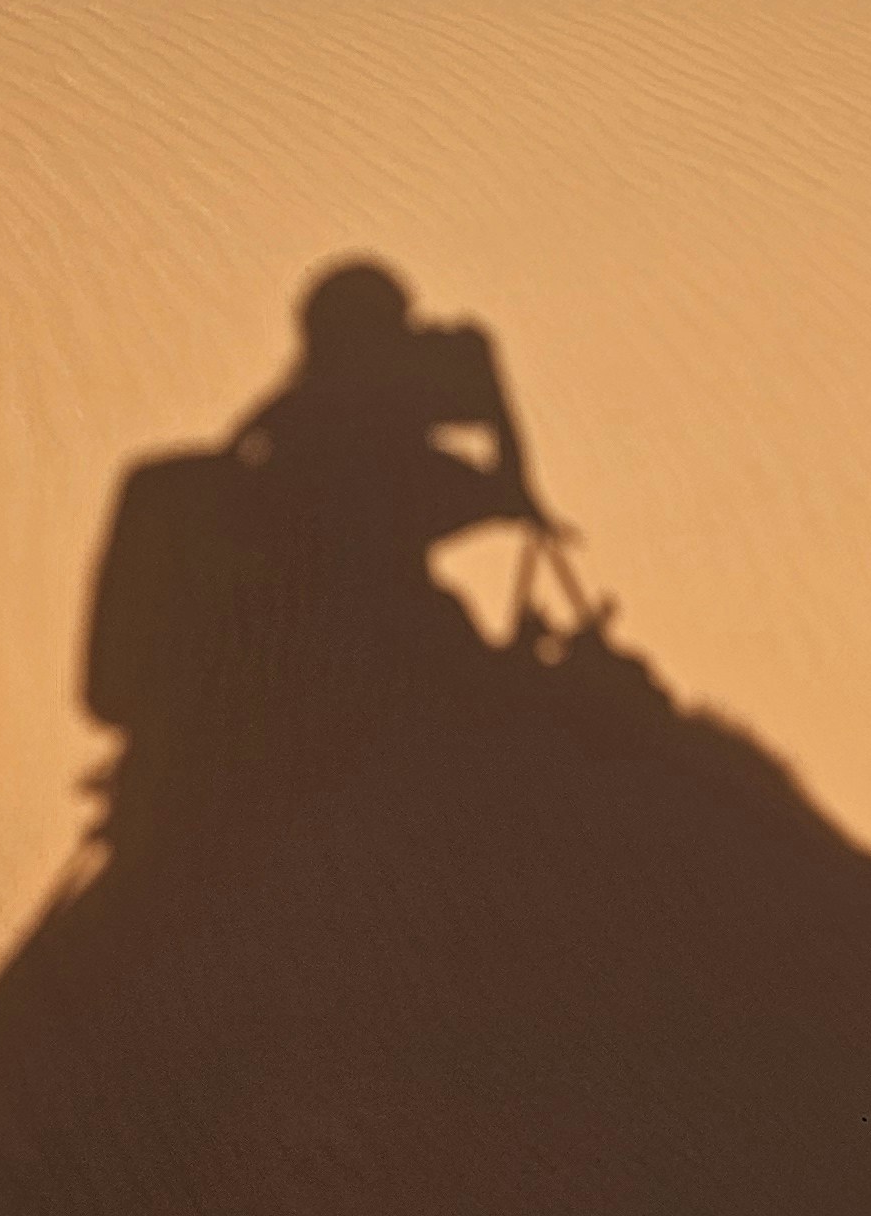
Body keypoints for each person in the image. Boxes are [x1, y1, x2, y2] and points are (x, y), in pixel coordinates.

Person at [84, 257, 551, 832]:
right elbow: (512, 495)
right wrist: (491, 392)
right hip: (383, 696)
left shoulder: (264, 449)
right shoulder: (387, 462)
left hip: (261, 709)